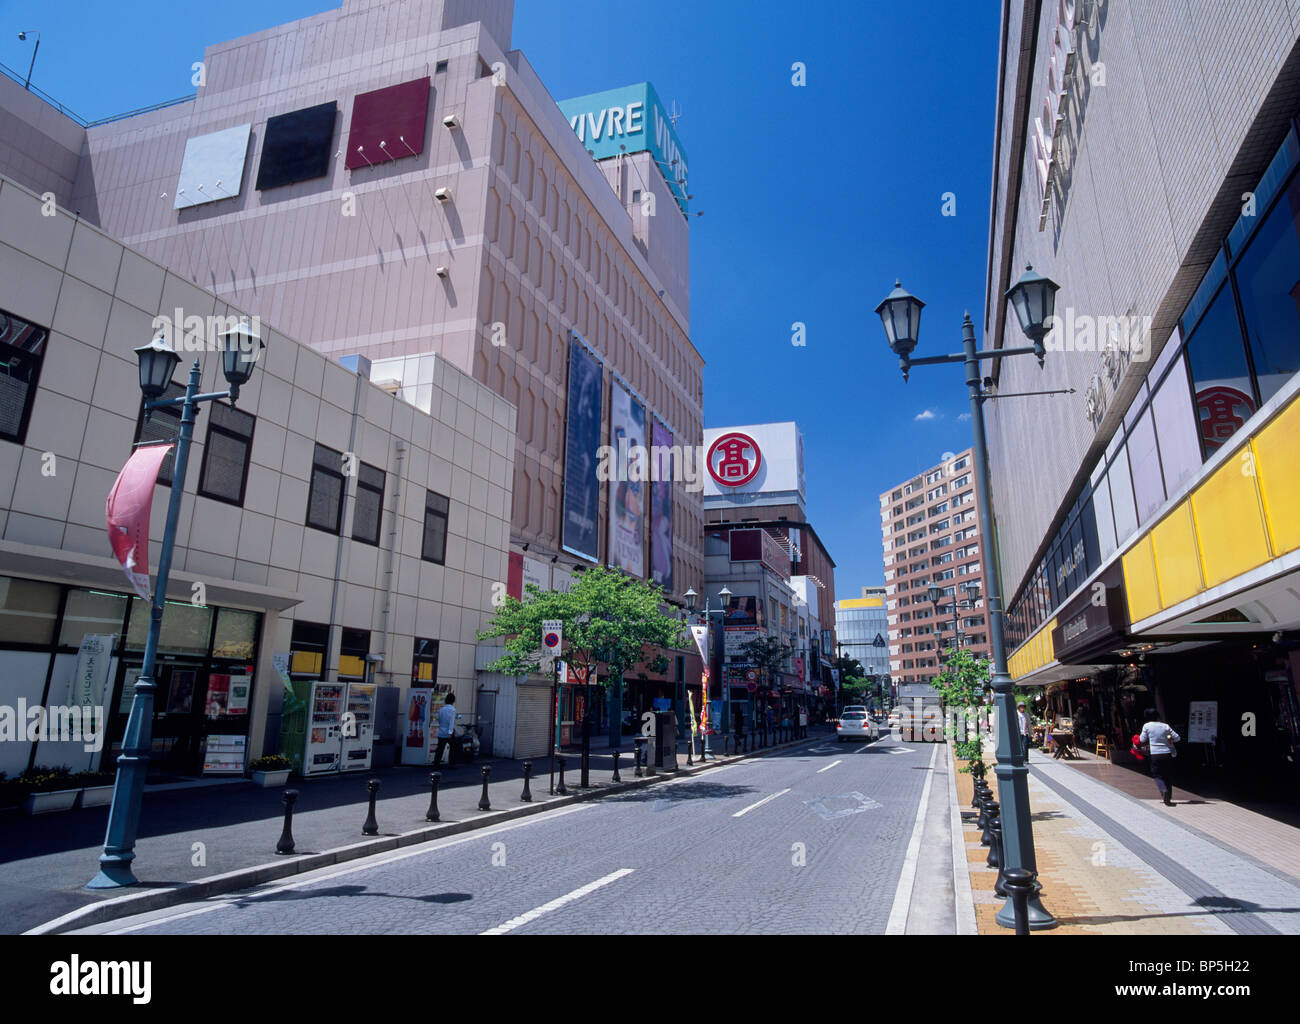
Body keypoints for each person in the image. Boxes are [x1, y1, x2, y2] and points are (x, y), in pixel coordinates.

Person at [1138, 707, 1180, 806]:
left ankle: (1163, 790)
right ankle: (1168, 798)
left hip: (1155, 754)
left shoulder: (1147, 726)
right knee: (1167, 775)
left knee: (1157, 774)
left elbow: (1142, 739)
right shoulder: (1165, 726)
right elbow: (1177, 738)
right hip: (1167, 754)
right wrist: (1168, 740)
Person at [433, 693, 458, 770]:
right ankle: (452, 764)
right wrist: (450, 732)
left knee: (440, 748)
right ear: (453, 701)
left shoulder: (441, 709)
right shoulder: (453, 710)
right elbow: (451, 722)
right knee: (453, 748)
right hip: (449, 732)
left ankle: (436, 764)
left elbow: (439, 719)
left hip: (441, 731)